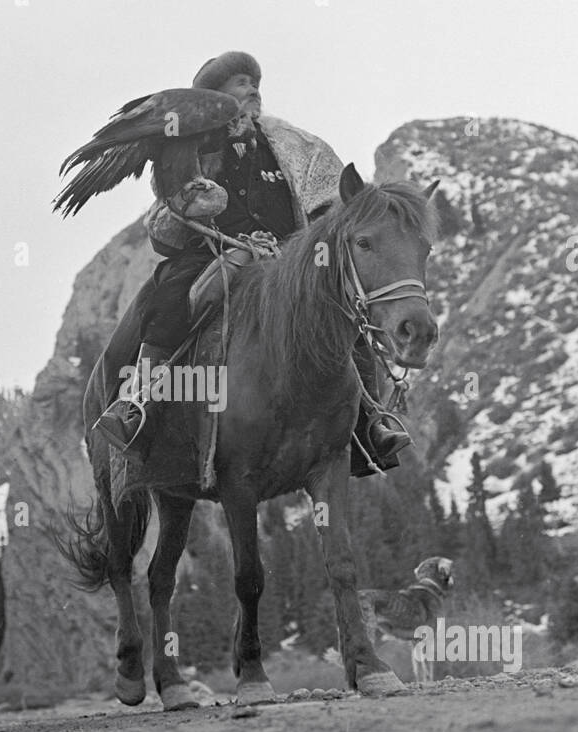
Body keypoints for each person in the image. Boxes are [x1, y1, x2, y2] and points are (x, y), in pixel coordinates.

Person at [92, 52, 413, 476]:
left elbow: (329, 205)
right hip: (212, 255)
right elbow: (165, 227)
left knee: (341, 314)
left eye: (254, 81)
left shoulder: (295, 145)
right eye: (240, 83)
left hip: (289, 263)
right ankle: (137, 405)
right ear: (215, 99)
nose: (252, 89)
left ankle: (369, 423)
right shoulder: (190, 148)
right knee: (168, 299)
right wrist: (193, 205)